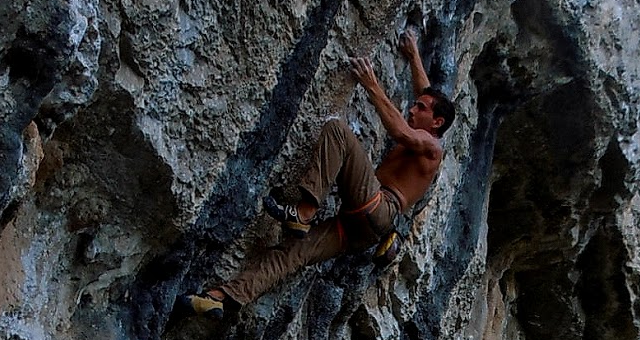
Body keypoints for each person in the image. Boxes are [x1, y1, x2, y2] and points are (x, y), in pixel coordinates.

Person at [187, 30, 456, 318]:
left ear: (437, 122)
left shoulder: (432, 146)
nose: (412, 109)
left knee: (338, 131)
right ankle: (223, 298)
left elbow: (400, 132)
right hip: (363, 228)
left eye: (420, 108)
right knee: (294, 252)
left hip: (377, 205)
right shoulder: (429, 129)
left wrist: (371, 84)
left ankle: (304, 211)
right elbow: (427, 94)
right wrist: (414, 56)